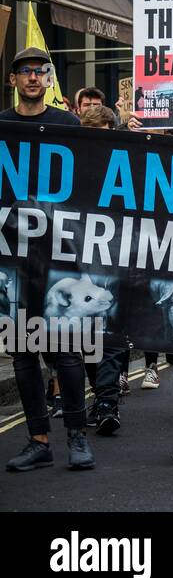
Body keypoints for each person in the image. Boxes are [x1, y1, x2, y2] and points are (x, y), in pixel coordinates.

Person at [2, 47, 94, 472]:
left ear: (49, 79)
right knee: (22, 355)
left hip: (61, 258)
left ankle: (77, 436)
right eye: (26, 72)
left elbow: (94, 183)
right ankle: (39, 439)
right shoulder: (1, 127)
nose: (34, 77)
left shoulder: (69, 125)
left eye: (41, 71)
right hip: (13, 259)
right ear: (13, 80)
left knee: (66, 352)